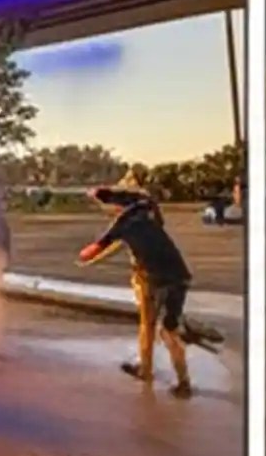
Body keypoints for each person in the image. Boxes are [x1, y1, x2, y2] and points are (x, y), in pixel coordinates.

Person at [76, 170, 195, 398]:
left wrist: (81, 258)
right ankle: (181, 381)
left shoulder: (121, 223)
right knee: (168, 329)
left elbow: (95, 249)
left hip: (154, 278)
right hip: (180, 274)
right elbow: (135, 205)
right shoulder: (147, 207)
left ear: (114, 205)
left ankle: (150, 371)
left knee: (149, 326)